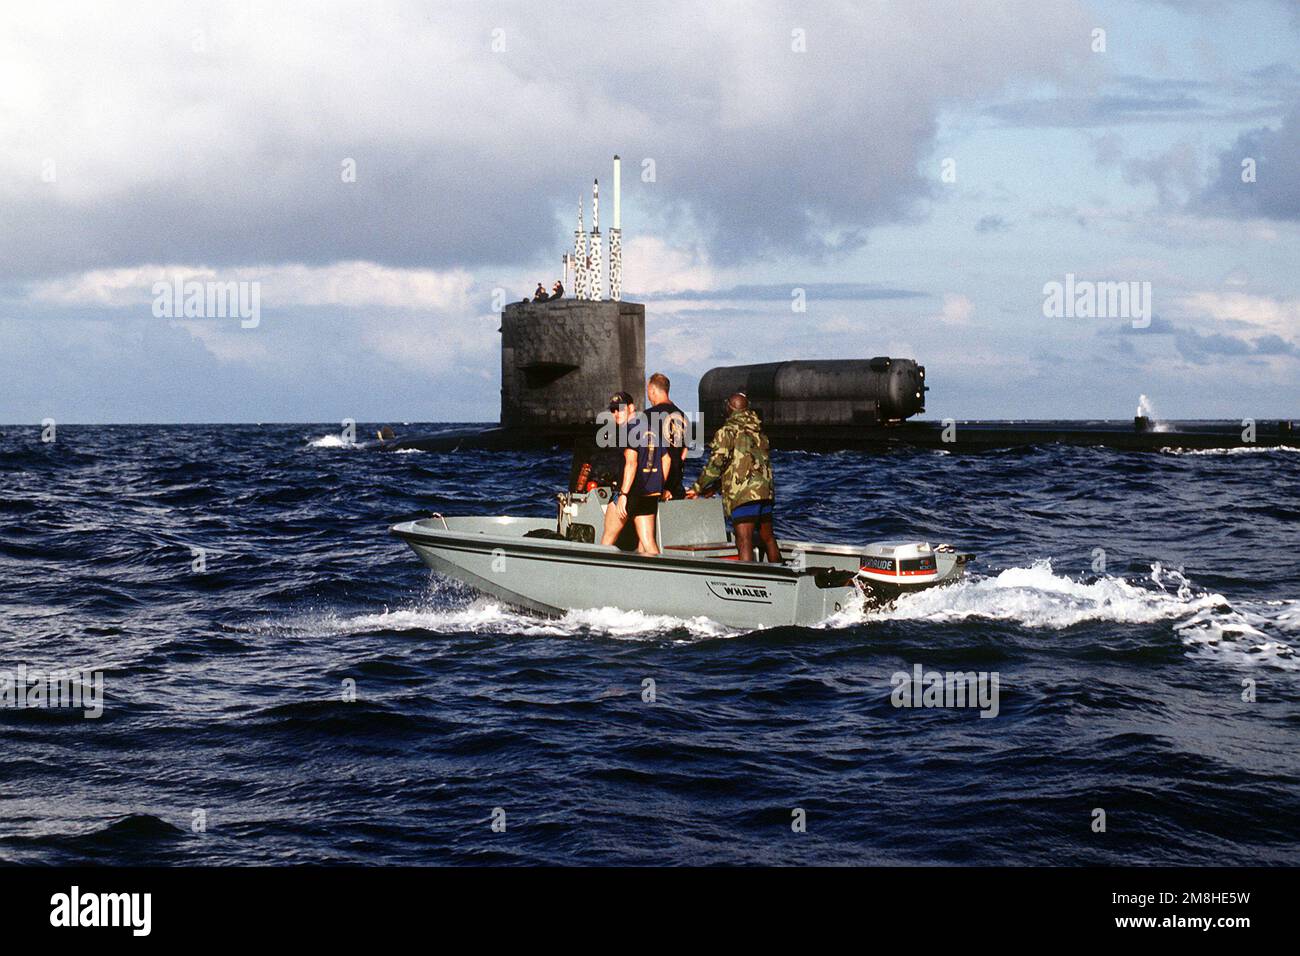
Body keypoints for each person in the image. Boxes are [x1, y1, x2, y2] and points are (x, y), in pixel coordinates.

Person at [686, 392, 780, 562]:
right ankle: (782, 576)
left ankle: (749, 582)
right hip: (765, 493)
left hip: (743, 495)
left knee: (744, 540)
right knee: (768, 538)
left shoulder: (726, 432)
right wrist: (714, 488)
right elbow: (741, 463)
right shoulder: (758, 431)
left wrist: (697, 488)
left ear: (730, 408)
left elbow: (716, 465)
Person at [600, 391, 664, 554]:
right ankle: (660, 577)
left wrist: (623, 494)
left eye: (620, 409)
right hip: (648, 494)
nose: (616, 414)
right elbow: (666, 459)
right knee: (648, 543)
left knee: (607, 541)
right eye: (613, 410)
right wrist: (658, 485)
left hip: (629, 493)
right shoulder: (650, 429)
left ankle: (599, 578)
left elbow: (631, 463)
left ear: (631, 408)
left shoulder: (629, 430)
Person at [645, 372, 688, 500]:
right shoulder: (682, 416)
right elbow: (684, 453)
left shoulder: (647, 416)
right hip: (676, 486)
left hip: (656, 486)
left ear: (652, 390)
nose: (648, 396)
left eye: (648, 392)